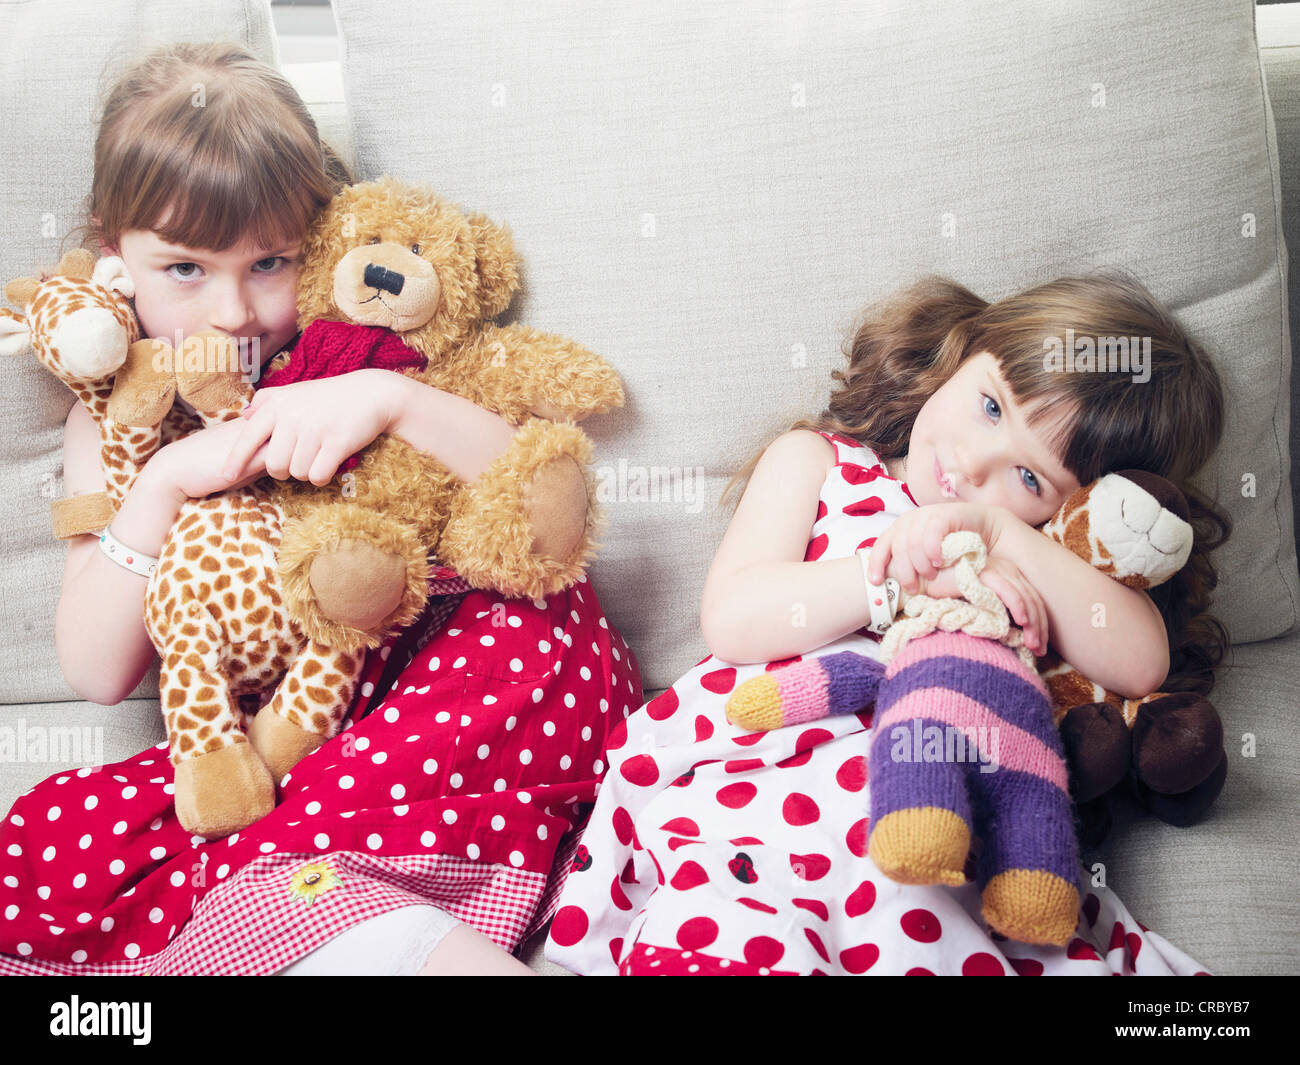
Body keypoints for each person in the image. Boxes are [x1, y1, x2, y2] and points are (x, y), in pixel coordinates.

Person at [0, 41, 641, 976]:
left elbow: (540, 511)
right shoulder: (117, 422)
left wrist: (396, 404)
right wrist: (168, 481)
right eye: (184, 269)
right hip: (281, 742)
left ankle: (340, 898)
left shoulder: (375, 340)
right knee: (50, 845)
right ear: (113, 255)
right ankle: (335, 906)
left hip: (441, 691)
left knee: (532, 630)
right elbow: (97, 671)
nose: (234, 312)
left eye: (269, 262)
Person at [545, 272, 1229, 975]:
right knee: (733, 923)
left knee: (919, 912)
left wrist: (999, 531)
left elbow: (1141, 661)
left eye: (1029, 478)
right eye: (991, 405)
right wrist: (893, 581)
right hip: (767, 786)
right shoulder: (820, 461)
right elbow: (733, 616)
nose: (973, 463)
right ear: (967, 350)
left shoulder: (1038, 555)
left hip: (935, 816)